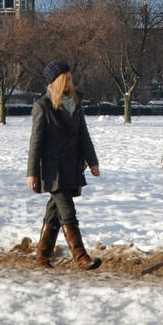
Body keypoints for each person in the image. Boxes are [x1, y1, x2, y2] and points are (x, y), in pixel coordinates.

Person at [27, 60, 102, 270]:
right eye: (66, 79)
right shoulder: (42, 107)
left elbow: (84, 136)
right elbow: (36, 143)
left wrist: (92, 162)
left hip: (72, 166)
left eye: (71, 78)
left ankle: (42, 258)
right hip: (53, 170)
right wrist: (32, 173)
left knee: (54, 213)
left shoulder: (75, 104)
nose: (71, 82)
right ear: (57, 81)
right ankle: (81, 257)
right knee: (67, 211)